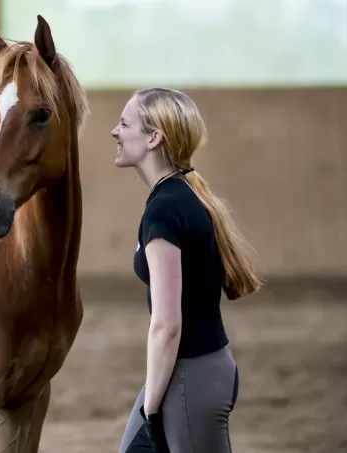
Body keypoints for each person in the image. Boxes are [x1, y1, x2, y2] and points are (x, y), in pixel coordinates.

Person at [111, 87, 263, 453]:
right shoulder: (177, 198)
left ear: (153, 137)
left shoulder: (165, 209)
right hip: (189, 375)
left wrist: (151, 407)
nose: (115, 131)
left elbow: (166, 324)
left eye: (124, 123)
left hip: (188, 380)